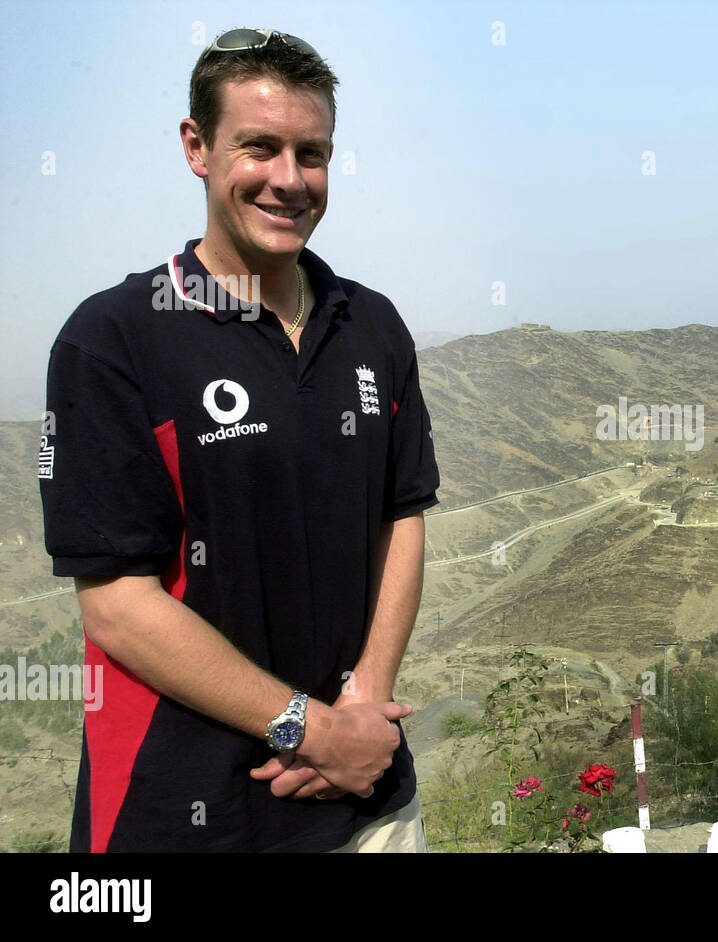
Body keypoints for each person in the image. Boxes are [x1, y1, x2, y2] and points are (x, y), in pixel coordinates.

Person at [37, 29, 440, 852]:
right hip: (186, 815)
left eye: (312, 153)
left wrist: (365, 706)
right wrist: (308, 729)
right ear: (197, 146)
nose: (289, 180)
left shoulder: (371, 324)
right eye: (260, 148)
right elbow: (117, 605)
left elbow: (402, 513)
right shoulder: (113, 341)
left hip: (368, 802)